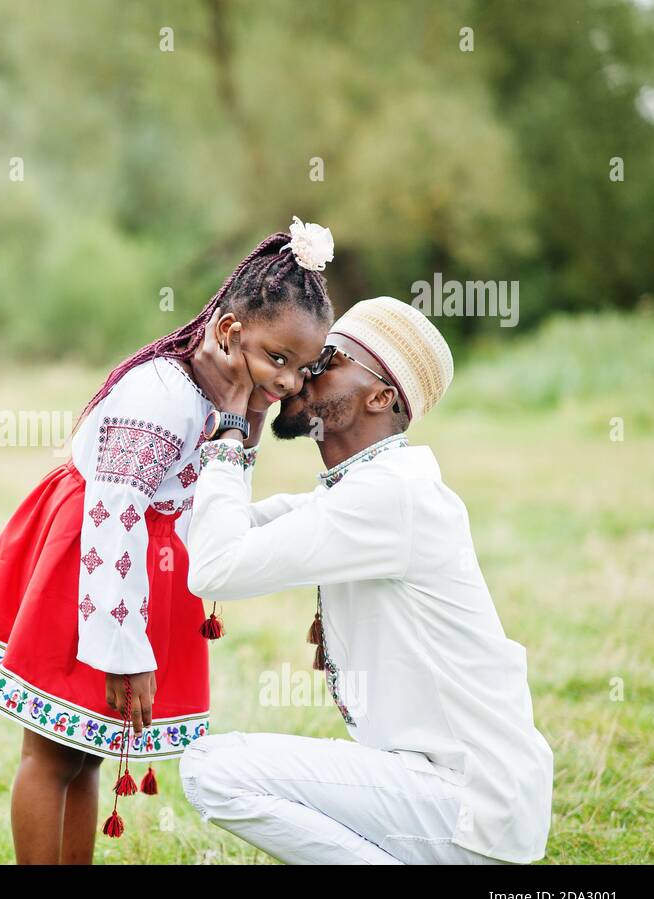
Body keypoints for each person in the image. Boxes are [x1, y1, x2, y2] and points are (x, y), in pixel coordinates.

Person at [0, 219, 338, 864]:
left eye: (303, 368)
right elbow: (113, 519)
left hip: (139, 571)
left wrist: (250, 413)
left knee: (86, 750)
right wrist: (123, 649)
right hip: (93, 570)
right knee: (49, 753)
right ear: (230, 332)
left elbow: (221, 486)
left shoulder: (228, 397)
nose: (290, 381)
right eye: (278, 359)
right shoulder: (158, 396)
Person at [181, 296, 554, 864]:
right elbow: (211, 533)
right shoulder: (358, 489)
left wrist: (231, 424)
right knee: (220, 770)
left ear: (380, 395)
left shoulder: (391, 495)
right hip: (445, 795)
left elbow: (217, 568)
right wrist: (247, 419)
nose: (303, 369)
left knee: (212, 770)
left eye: (326, 358)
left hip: (472, 805)